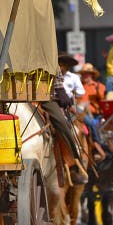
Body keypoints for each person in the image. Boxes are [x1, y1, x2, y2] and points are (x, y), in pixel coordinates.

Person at [40, 54, 89, 184]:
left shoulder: (57, 70)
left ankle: (74, 160)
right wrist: (64, 99)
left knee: (66, 124)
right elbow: (60, 94)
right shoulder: (46, 64)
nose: (62, 68)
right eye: (61, 64)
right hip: (43, 99)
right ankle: (75, 160)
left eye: (64, 66)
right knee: (64, 123)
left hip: (49, 99)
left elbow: (60, 90)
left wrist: (66, 99)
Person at [76, 63, 105, 144]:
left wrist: (98, 93)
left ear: (91, 75)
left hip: (96, 115)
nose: (84, 75)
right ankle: (98, 142)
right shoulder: (77, 86)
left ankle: (98, 142)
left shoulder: (99, 86)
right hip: (80, 115)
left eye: (86, 73)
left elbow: (103, 101)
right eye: (83, 73)